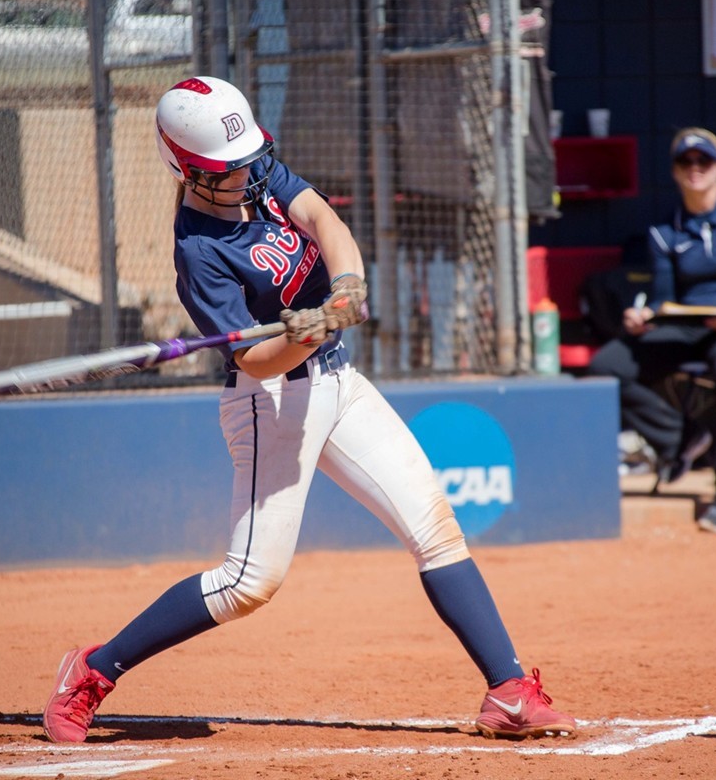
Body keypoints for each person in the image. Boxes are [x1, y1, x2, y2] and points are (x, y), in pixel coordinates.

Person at [41, 76, 575, 743]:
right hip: (271, 404)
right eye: (225, 172)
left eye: (244, 164)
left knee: (435, 529)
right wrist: (312, 329)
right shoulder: (197, 251)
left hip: (337, 381)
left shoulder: (256, 170)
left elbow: (323, 219)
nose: (243, 176)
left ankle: (508, 690)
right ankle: (94, 669)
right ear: (189, 171)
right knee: (247, 583)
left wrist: (345, 285)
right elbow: (257, 360)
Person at [588, 128, 716, 535]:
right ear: (675, 172)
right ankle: (681, 437)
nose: (695, 169)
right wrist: (645, 316)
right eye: (686, 162)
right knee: (605, 365)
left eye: (704, 161)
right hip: (690, 326)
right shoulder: (665, 231)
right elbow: (665, 297)